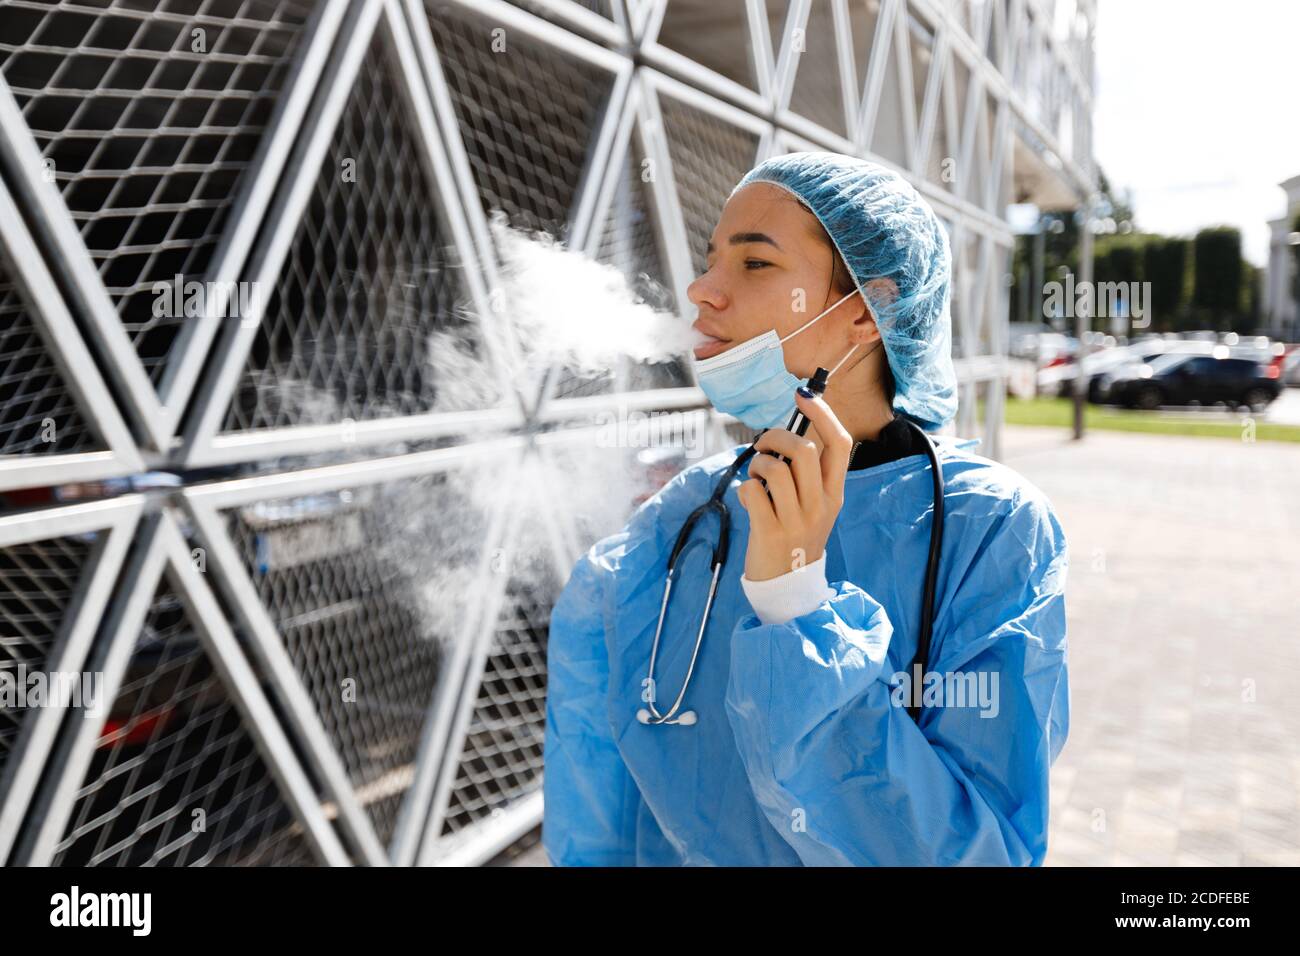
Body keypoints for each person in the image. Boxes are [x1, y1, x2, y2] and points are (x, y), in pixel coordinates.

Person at [541, 151, 1069, 866]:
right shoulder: (675, 522)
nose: (702, 290)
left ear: (864, 311)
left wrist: (796, 605)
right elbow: (594, 815)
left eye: (755, 264)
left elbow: (983, 853)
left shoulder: (994, 531)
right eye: (710, 259)